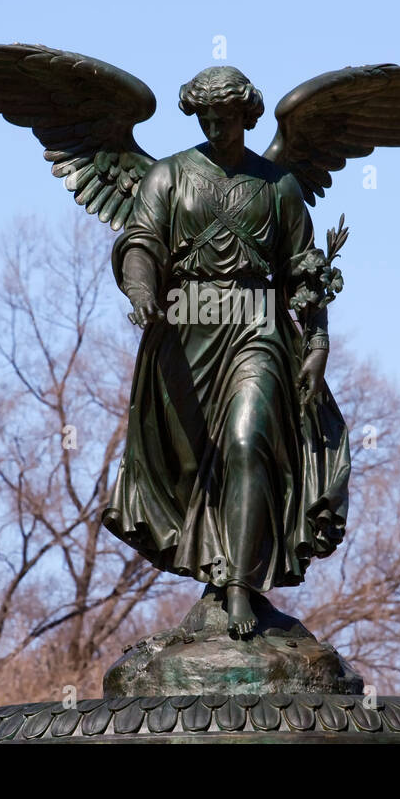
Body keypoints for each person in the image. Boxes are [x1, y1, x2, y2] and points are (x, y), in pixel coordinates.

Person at [102, 65, 351, 636]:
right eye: (205, 119)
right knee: (193, 469)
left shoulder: (278, 186)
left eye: (225, 118)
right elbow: (140, 242)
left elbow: (303, 272)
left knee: (247, 441)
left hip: (255, 326)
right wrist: (141, 289)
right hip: (184, 331)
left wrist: (317, 339)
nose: (215, 128)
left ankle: (240, 583)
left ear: (247, 116)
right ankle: (215, 573)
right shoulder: (168, 176)